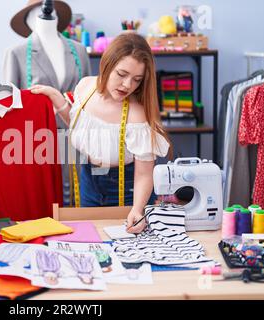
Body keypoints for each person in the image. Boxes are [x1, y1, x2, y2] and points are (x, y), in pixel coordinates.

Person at [30, 32, 171, 234]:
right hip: (88, 178)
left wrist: (138, 210)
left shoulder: (137, 115)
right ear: (106, 65)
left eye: (137, 80)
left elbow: (143, 174)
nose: (127, 85)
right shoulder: (85, 87)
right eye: (121, 74)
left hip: (126, 186)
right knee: (91, 244)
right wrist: (56, 98)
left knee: (126, 249)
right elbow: (79, 128)